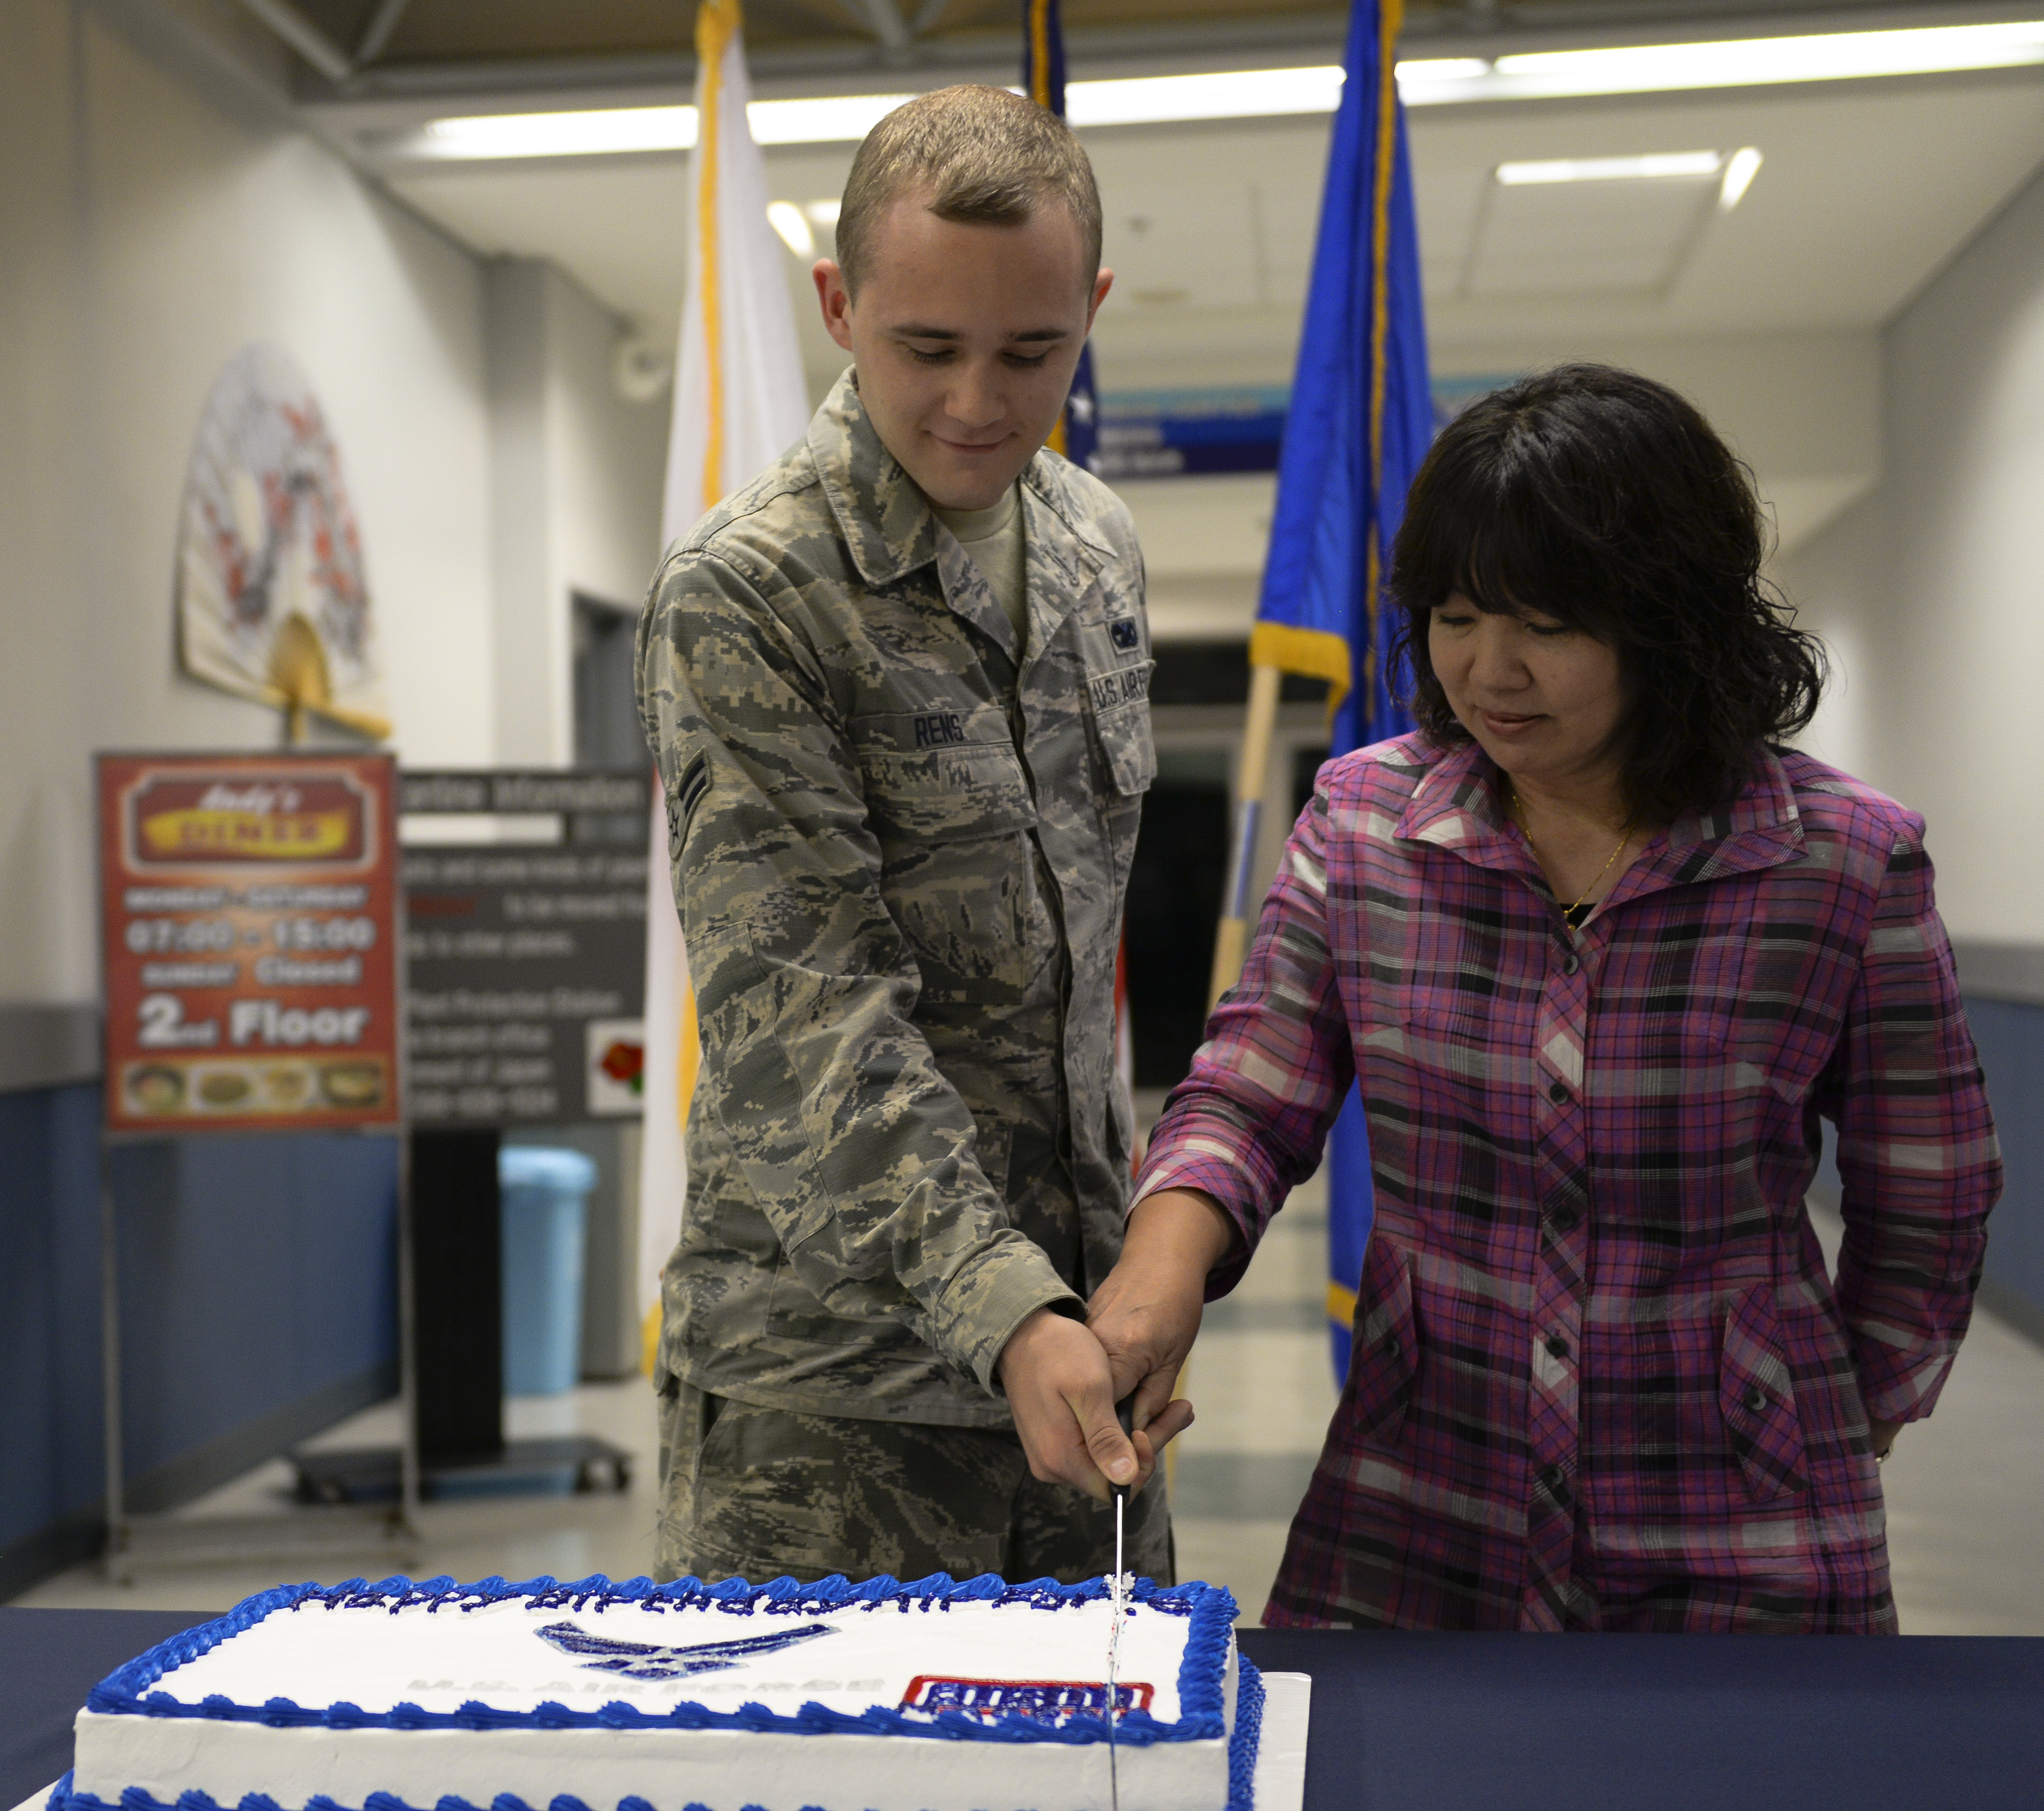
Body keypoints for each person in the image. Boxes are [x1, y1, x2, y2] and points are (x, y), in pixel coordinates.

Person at [1095, 363, 1999, 1630]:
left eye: (1548, 623)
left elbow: (1931, 1181)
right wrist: (1158, 1266)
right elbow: (1251, 1087)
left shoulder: (1836, 859)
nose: (1489, 669)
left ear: (1669, 620)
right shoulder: (1365, 824)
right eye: (1455, 616)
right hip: (1418, 1495)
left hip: (1737, 1521)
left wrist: (1844, 1407)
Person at [639, 83, 1196, 1590]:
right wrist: (1003, 1306)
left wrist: (1109, 1283)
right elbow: (807, 1013)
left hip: (1082, 1367)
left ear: (1089, 307)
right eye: (924, 348)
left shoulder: (1094, 545)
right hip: (832, 1412)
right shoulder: (748, 591)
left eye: (1031, 352)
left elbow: (1076, 974)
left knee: (1102, 1806)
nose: (976, 400)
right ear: (835, 304)